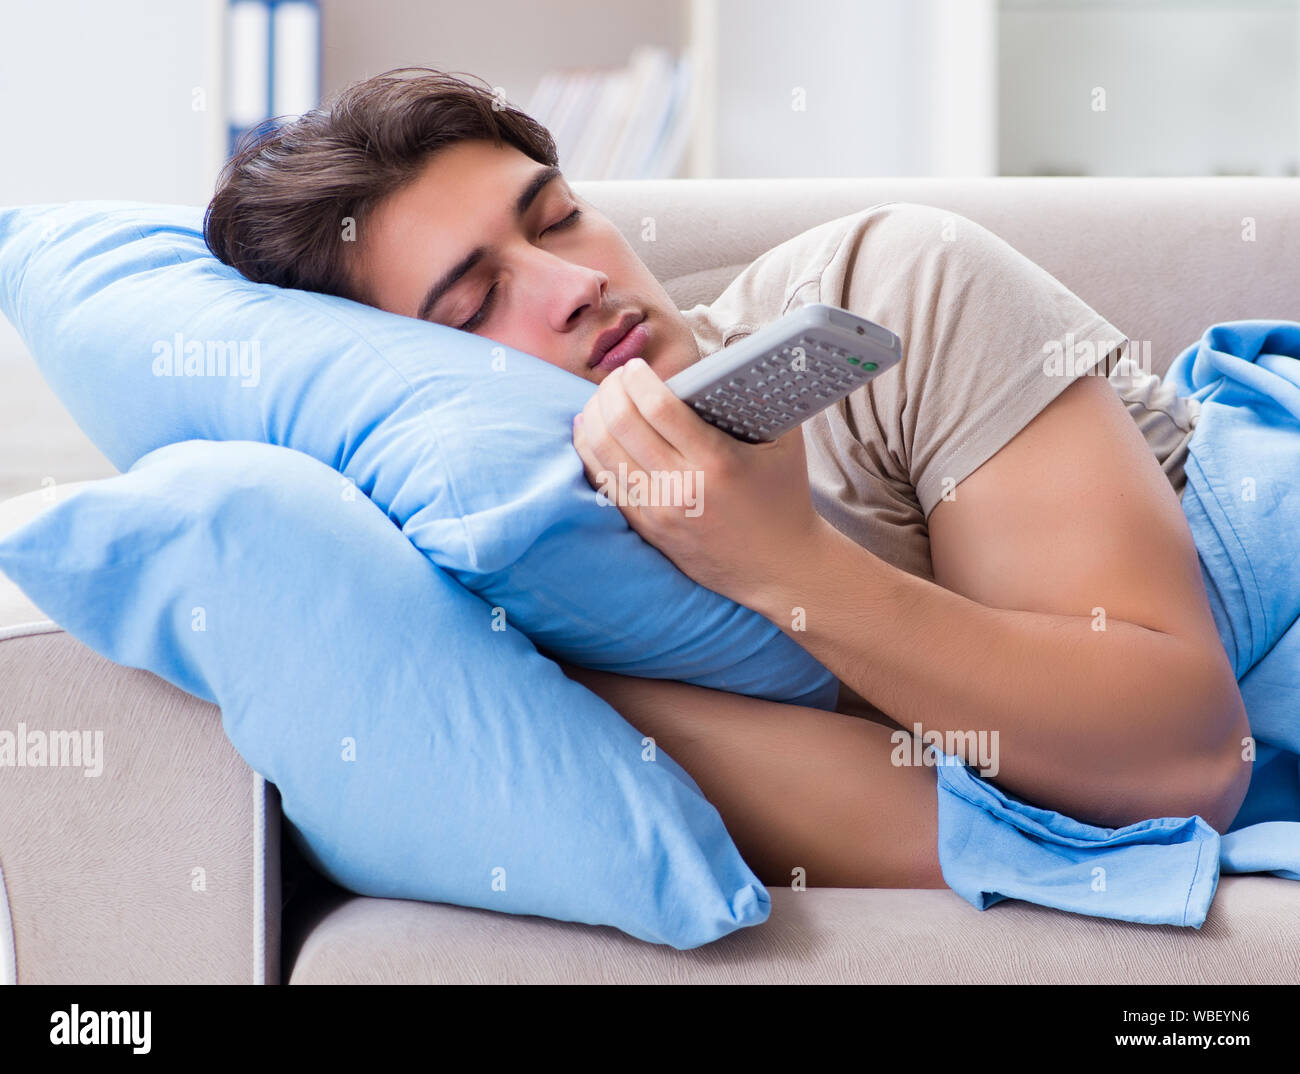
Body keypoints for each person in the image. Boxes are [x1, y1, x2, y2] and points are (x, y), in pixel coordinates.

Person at [204, 66, 1252, 890]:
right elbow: (979, 840)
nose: (579, 284)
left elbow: (1182, 764)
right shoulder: (508, 556)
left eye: (559, 216)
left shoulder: (891, 290)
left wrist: (784, 562)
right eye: (475, 305)